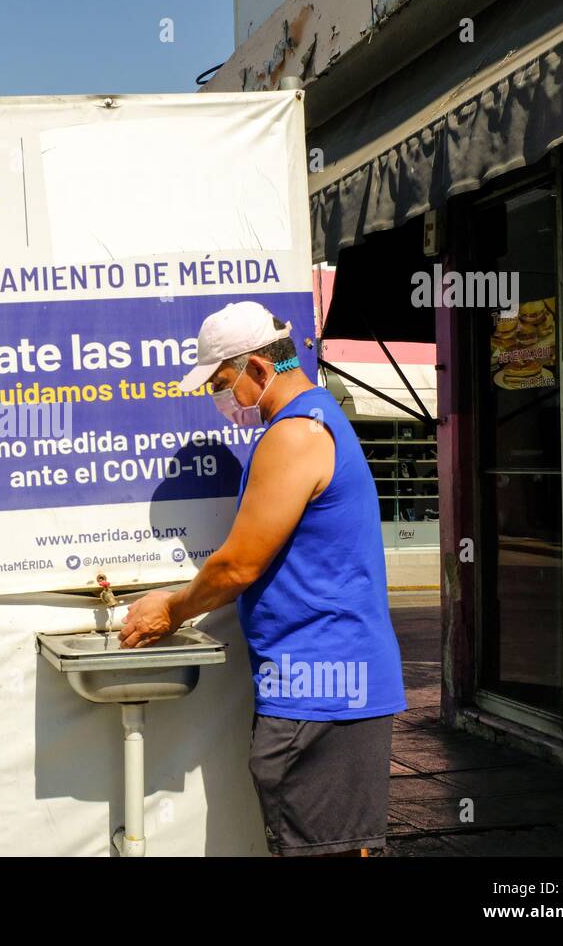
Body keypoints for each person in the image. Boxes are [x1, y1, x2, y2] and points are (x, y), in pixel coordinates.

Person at [121, 301, 406, 857]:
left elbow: (238, 564)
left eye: (220, 383)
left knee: (325, 849)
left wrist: (172, 609)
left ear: (257, 368)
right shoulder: (305, 423)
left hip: (325, 681)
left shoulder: (295, 435)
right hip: (311, 680)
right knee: (318, 845)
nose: (218, 400)